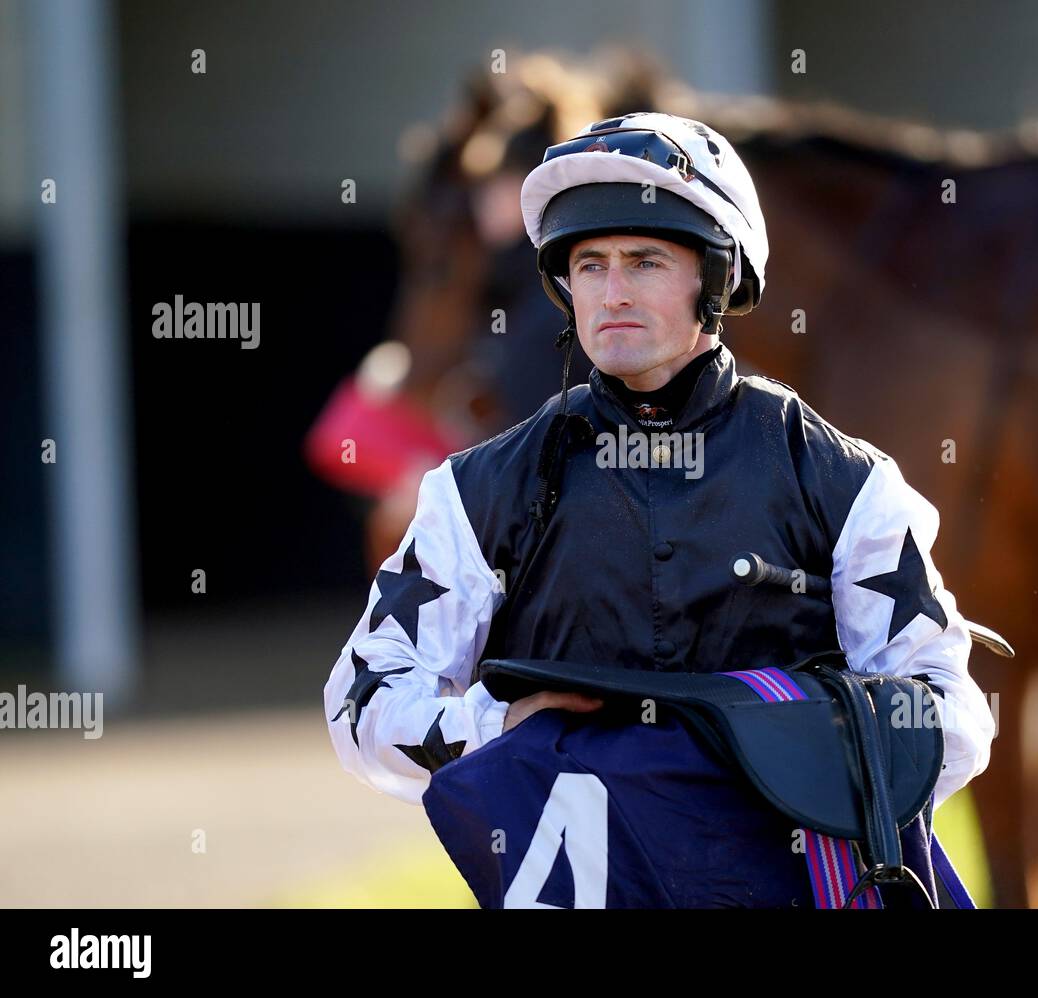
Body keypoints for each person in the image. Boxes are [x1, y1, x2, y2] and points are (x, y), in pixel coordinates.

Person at [324, 112, 996, 906]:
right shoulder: (476, 493)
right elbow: (361, 704)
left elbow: (951, 715)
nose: (611, 294)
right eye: (590, 265)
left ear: (715, 280)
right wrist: (500, 726)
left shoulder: (845, 481)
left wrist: (780, 734)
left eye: (644, 262)